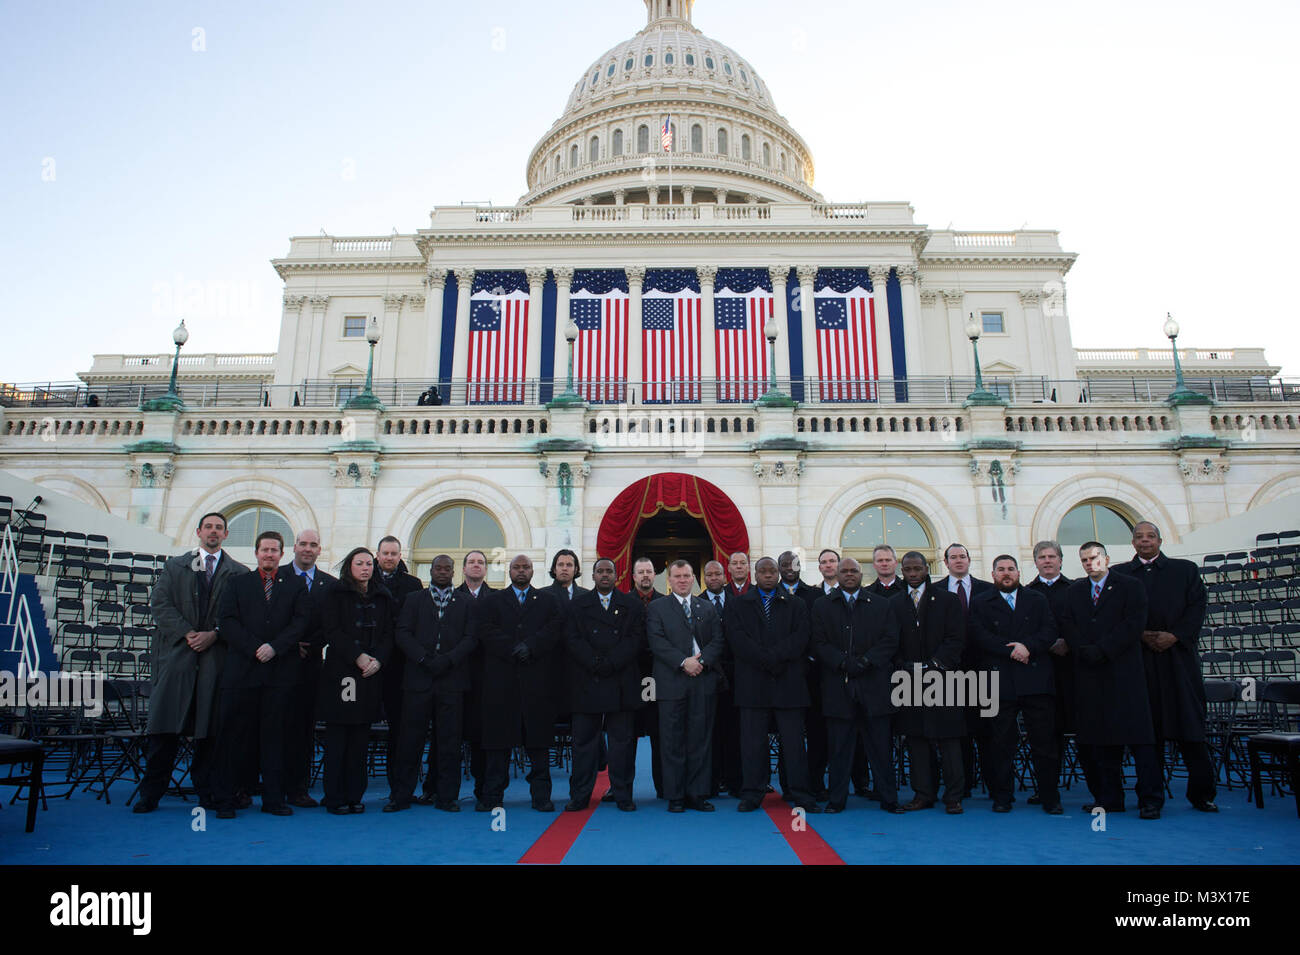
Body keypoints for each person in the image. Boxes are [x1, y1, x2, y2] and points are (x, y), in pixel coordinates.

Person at [135, 512, 247, 813]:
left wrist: (215, 635)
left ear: (226, 534)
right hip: (177, 658)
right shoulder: (175, 567)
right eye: (208, 526)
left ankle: (207, 792)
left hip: (215, 660)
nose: (213, 531)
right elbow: (160, 604)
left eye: (219, 528)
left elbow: (240, 616)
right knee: (164, 731)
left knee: (208, 734)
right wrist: (187, 633)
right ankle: (151, 793)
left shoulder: (238, 572)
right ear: (199, 531)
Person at [1115, 521, 1217, 811]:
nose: (1145, 541)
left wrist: (1175, 636)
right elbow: (1117, 614)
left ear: (1160, 540)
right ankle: (1150, 798)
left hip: (1178, 661)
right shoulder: (1121, 575)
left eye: (1150, 537)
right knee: (1148, 735)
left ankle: (1202, 794)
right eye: (1139, 537)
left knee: (1191, 731)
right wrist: (1141, 634)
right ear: (1132, 543)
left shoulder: (1184, 571)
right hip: (1140, 662)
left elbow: (1197, 607)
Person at [1062, 541, 1163, 819]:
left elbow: (1133, 624)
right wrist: (1085, 650)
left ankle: (1150, 800)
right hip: (1090, 675)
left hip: (1125, 673)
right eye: (1084, 560)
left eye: (1093, 557)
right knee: (1101, 741)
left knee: (1140, 742)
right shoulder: (1074, 592)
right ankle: (1109, 798)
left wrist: (1103, 650)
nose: (1089, 563)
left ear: (1105, 558)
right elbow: (1068, 624)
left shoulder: (1130, 586)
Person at [213, 531, 310, 818]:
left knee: (275, 739)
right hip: (241, 673)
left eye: (274, 550)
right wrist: (255, 647)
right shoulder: (237, 583)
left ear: (282, 554)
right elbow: (227, 621)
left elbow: (300, 622)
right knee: (233, 738)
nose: (269, 554)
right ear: (256, 553)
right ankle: (226, 799)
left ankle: (273, 799)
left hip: (279, 675)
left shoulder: (296, 586)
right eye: (264, 550)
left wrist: (275, 648)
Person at [724, 556, 819, 812]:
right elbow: (737, 639)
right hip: (752, 684)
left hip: (788, 682)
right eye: (763, 571)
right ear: (755, 574)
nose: (768, 575)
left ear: (778, 574)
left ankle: (799, 791)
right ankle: (753, 792)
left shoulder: (796, 604)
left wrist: (775, 657)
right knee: (753, 744)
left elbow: (801, 637)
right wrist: (764, 659)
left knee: (794, 743)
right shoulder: (738, 605)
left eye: (772, 571)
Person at [968, 555, 1061, 814]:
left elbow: (1050, 629)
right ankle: (1002, 796)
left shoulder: (1037, 599)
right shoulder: (980, 602)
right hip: (999, 681)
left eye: (1010, 569)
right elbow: (978, 634)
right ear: (993, 573)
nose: (1006, 574)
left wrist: (1027, 646)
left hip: (1035, 680)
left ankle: (1049, 796)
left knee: (1044, 742)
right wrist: (1009, 650)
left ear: (1019, 572)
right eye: (1001, 570)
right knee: (1000, 744)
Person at [812, 557, 902, 813]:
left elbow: (890, 639)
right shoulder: (821, 605)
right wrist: (842, 662)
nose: (849, 574)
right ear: (836, 574)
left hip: (875, 687)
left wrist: (865, 662)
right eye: (844, 571)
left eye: (854, 571)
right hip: (838, 688)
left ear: (862, 574)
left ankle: (889, 798)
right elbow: (818, 642)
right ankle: (837, 799)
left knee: (881, 749)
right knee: (839, 750)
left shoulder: (882, 605)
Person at [388, 554, 477, 812]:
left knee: (449, 742)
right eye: (437, 567)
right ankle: (401, 795)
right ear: (431, 570)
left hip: (452, 680)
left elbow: (471, 638)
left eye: (446, 568)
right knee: (409, 741)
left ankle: (447, 796)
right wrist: (423, 658)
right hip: (418, 679)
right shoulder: (414, 600)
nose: (441, 571)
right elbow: (402, 633)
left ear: (453, 572)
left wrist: (448, 660)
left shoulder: (466, 603)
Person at [476, 554, 562, 811]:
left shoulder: (548, 601)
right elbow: (486, 630)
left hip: (537, 684)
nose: (521, 571)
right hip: (502, 683)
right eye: (517, 567)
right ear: (509, 570)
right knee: (498, 746)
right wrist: (513, 648)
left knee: (538, 745)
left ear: (533, 571)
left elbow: (554, 628)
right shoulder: (493, 601)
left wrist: (532, 646)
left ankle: (541, 796)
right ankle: (492, 796)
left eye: (526, 567)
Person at [564, 557, 645, 812]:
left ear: (616, 575)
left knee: (621, 744)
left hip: (621, 681)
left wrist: (612, 661)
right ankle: (580, 795)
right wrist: (595, 661)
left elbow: (636, 639)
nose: (605, 575)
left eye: (609, 571)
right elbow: (572, 639)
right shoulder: (578, 605)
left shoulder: (631, 605)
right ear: (593, 575)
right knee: (584, 745)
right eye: (600, 571)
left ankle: (623, 794)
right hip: (588, 681)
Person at [318, 547, 395, 814]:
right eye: (359, 563)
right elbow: (332, 630)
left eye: (369, 564)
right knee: (340, 737)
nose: (365, 568)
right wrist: (358, 656)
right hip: (342, 673)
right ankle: (335, 797)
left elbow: (389, 634)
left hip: (370, 675)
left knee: (361, 738)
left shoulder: (384, 596)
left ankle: (354, 795)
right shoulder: (334, 593)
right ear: (349, 566)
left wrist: (378, 660)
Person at [647, 559, 726, 812]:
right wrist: (683, 662)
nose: (682, 580)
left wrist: (700, 661)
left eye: (687, 576)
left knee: (700, 740)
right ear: (669, 581)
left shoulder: (706, 607)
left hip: (703, 681)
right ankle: (676, 795)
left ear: (694, 579)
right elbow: (656, 642)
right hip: (671, 683)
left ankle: (697, 794)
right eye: (677, 576)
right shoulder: (657, 608)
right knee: (672, 741)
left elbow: (718, 640)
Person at [890, 551, 966, 813]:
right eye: (908, 569)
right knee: (916, 739)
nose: (912, 573)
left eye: (917, 569)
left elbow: (956, 638)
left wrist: (934, 664)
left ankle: (954, 795)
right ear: (902, 571)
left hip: (943, 678)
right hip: (907, 681)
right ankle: (923, 793)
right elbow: (891, 640)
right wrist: (903, 666)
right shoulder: (895, 602)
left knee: (949, 740)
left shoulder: (948, 600)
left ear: (926, 569)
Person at [281, 528, 336, 809]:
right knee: (272, 727)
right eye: (303, 544)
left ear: (319, 550)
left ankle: (298, 789)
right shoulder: (275, 577)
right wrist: (290, 645)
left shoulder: (330, 584)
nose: (307, 549)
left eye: (313, 544)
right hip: (277, 665)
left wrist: (311, 644)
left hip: (311, 666)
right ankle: (266, 785)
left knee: (303, 730)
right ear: (294, 547)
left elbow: (332, 624)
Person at [936, 542, 992, 799]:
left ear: (969, 560)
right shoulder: (935, 592)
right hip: (948, 673)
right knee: (956, 731)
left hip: (982, 670)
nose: (958, 561)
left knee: (986, 730)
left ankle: (993, 786)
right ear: (945, 563)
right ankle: (962, 784)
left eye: (962, 556)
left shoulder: (987, 591)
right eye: (953, 558)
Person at [1026, 540, 1077, 806]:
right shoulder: (1027, 593)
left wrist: (1068, 642)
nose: (1047, 561)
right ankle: (1047, 788)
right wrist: (1046, 644)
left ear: (1060, 560)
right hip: (1039, 673)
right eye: (1042, 557)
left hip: (1071, 670)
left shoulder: (1075, 590)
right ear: (1035, 562)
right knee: (1046, 736)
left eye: (1052, 556)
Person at [374, 536, 424, 802]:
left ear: (400, 555)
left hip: (401, 667)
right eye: (385, 553)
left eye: (394, 553)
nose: (390, 557)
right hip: (367, 666)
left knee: (402, 731)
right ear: (378, 554)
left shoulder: (413, 585)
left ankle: (401, 789)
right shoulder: (364, 578)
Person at [456, 550, 494, 805]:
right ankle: (440, 790)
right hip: (454, 672)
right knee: (448, 735)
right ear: (464, 568)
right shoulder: (452, 596)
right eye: (472, 562)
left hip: (485, 678)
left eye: (481, 562)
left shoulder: (496, 598)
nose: (476, 566)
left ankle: (483, 790)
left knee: (481, 737)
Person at [630, 556, 667, 799]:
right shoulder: (624, 602)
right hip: (630, 676)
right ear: (633, 576)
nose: (645, 575)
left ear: (655, 576)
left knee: (660, 734)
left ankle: (664, 786)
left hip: (659, 677)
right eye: (640, 571)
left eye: (649, 571)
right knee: (627, 735)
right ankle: (621, 788)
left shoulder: (666, 603)